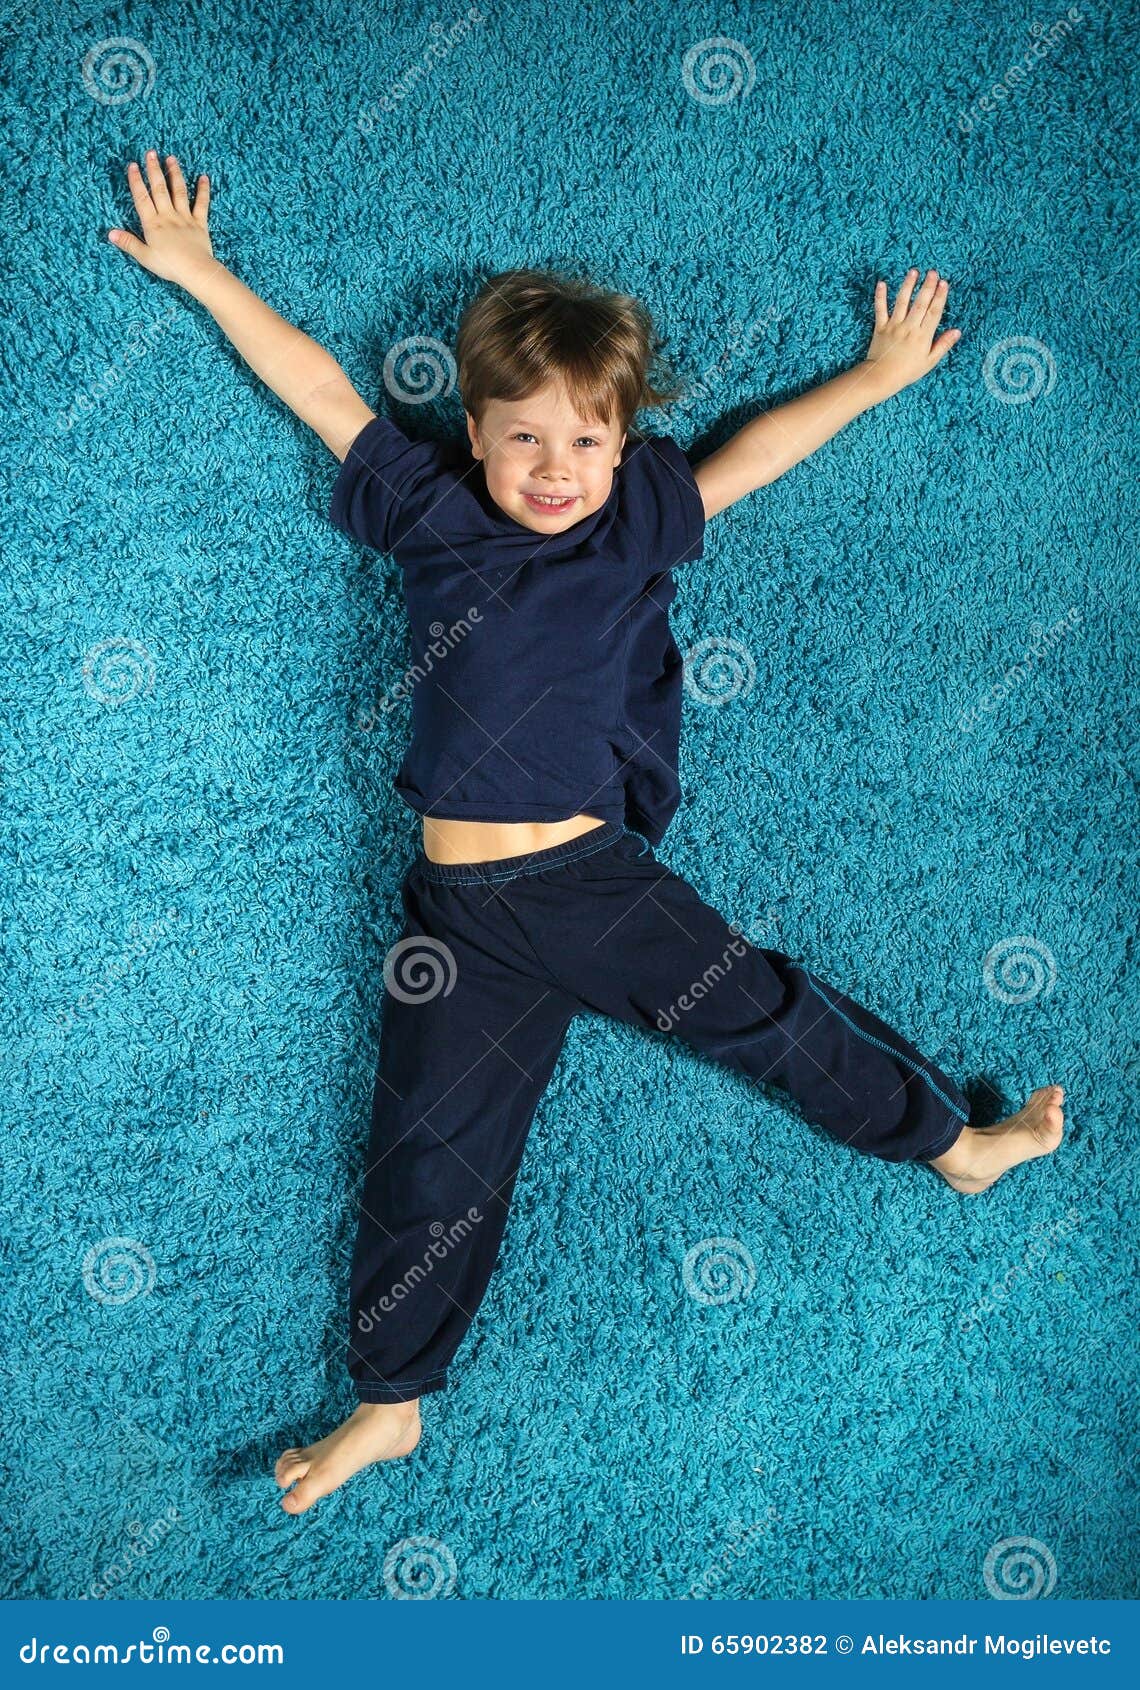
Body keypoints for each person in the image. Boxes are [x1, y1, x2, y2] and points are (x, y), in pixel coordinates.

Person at [109, 152, 1065, 1516]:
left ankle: (953, 1146)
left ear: (623, 448)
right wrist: (205, 272)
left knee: (764, 1015)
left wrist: (874, 377)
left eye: (587, 442)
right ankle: (390, 1400)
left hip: (585, 882)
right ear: (476, 433)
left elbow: (748, 458)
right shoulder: (434, 514)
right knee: (427, 1152)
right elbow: (324, 391)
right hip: (454, 919)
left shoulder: (632, 528)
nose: (555, 471)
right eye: (526, 438)